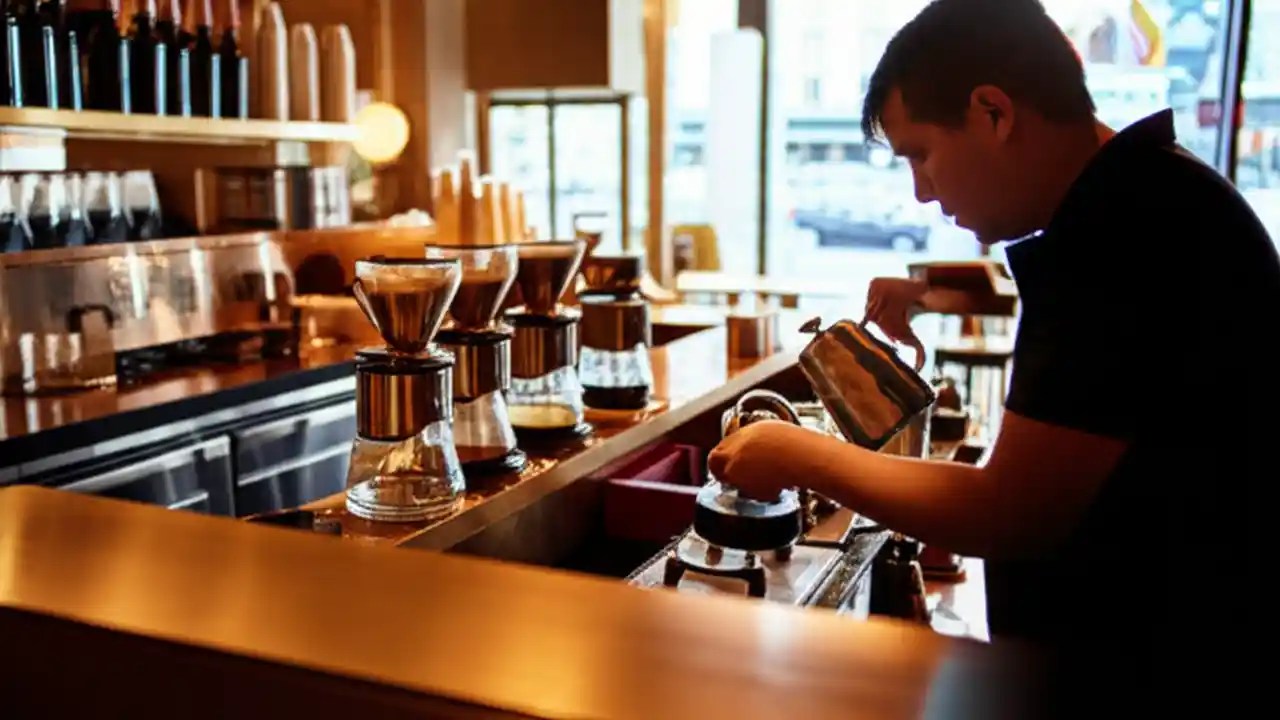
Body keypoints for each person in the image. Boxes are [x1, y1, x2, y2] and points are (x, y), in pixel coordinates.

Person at [709, 0, 1276, 711]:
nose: (920, 190)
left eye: (921, 153)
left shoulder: (1121, 236)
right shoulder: (1154, 190)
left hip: (1160, 673)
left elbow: (1011, 511)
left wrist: (795, 452)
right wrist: (931, 291)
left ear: (993, 114)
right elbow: (1090, 329)